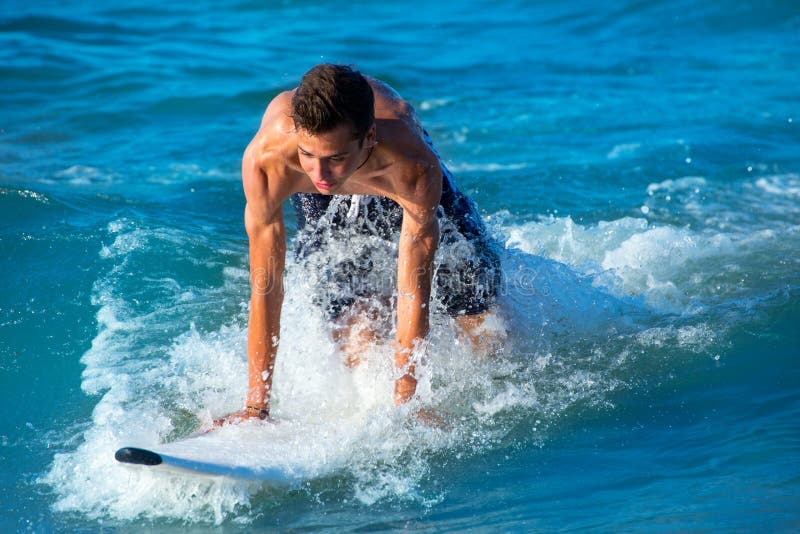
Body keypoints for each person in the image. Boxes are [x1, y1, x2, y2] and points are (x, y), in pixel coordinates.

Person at [218, 64, 501, 424]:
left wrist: (406, 399)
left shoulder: (412, 164)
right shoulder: (268, 162)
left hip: (394, 181)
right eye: (308, 154)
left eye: (333, 158)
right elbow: (266, 289)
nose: (319, 174)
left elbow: (415, 286)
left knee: (486, 335)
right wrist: (256, 409)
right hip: (327, 189)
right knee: (355, 329)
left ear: (369, 136)